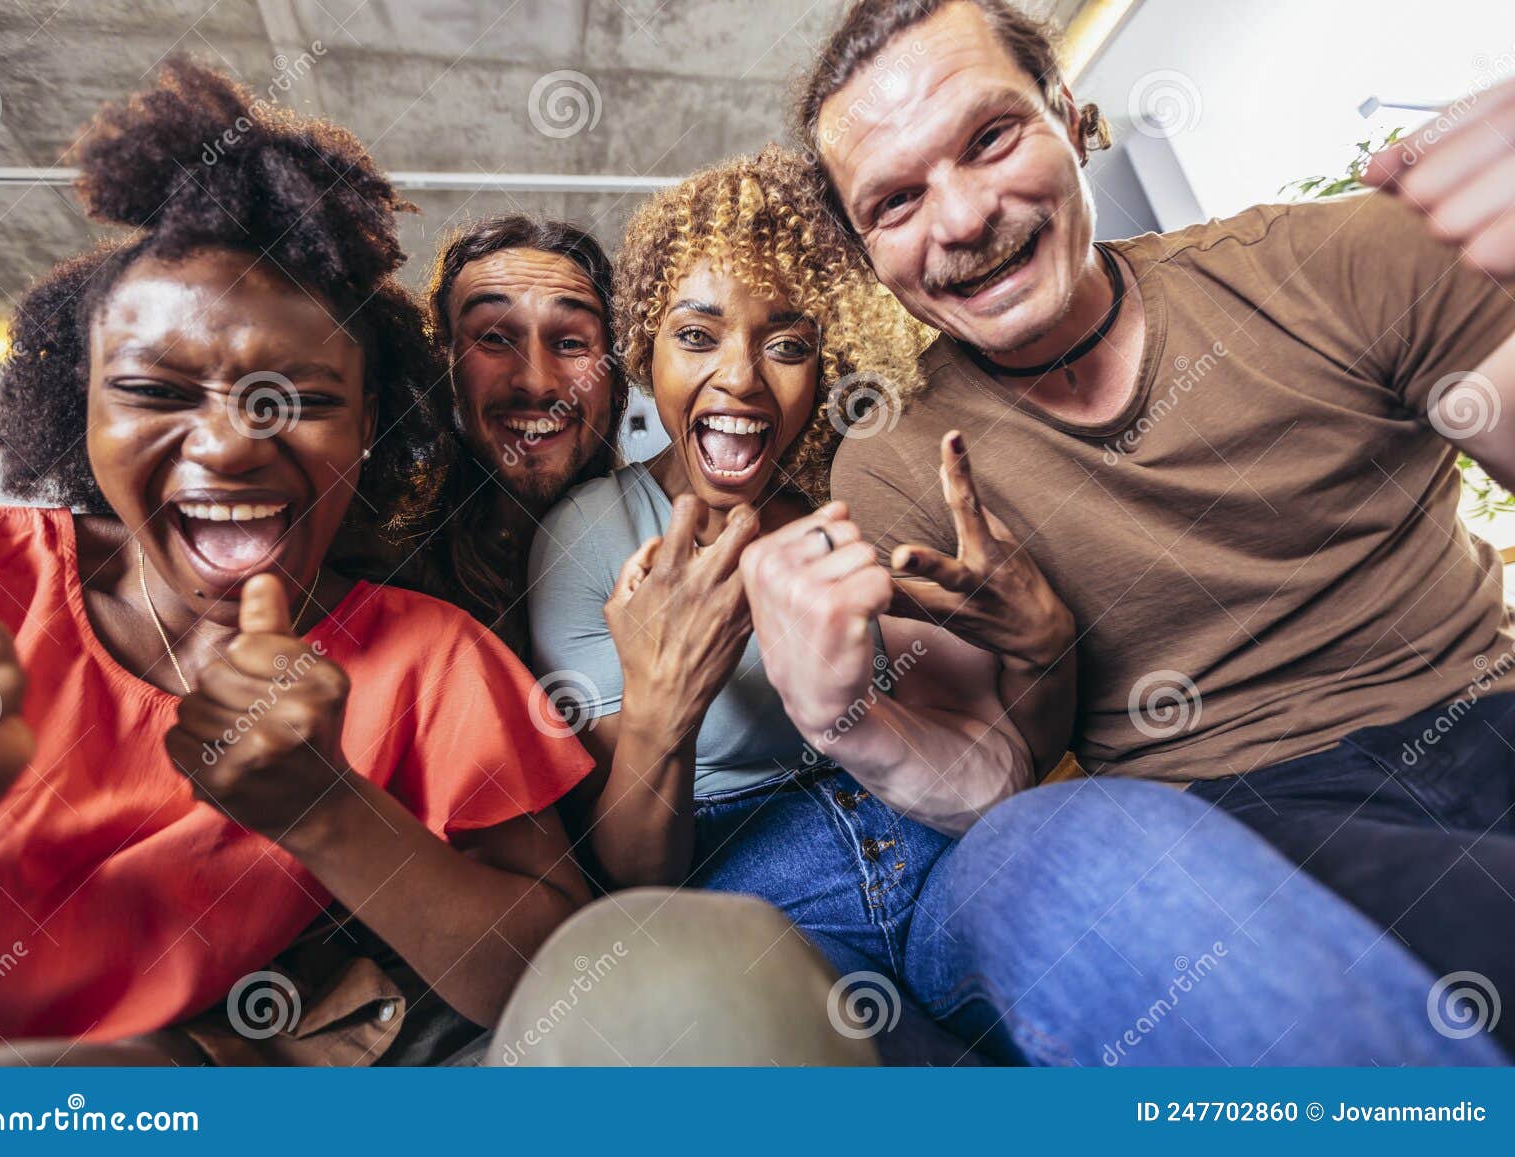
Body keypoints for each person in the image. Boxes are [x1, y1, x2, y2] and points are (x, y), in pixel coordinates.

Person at [526, 145, 1502, 1065]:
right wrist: (663, 698)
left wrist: (1038, 646)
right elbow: (635, 875)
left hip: (944, 840)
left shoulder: (877, 489)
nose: (739, 376)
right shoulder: (594, 533)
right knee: (770, 1035)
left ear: (825, 361)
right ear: (644, 350)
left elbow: (1004, 755)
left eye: (787, 342)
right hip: (762, 889)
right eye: (695, 336)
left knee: (1083, 866)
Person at [792, 0, 1515, 1054]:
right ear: (868, 251)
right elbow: (988, 777)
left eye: (989, 139)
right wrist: (843, 715)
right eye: (895, 200)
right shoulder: (895, 462)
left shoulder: (1338, 262)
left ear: (1070, 118)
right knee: (1036, 845)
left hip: (1484, 724)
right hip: (1215, 836)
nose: (956, 220)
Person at [0, 59, 597, 1064]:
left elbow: (563, 969)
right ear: (82, 412)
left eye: (303, 400)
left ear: (369, 424)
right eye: (154, 391)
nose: (230, 445)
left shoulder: (425, 660)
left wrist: (330, 809)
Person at [420, 217, 626, 657]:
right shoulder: (382, 565)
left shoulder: (661, 551)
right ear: (444, 361)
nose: (536, 383)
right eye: (494, 338)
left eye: (571, 344)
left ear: (616, 377)